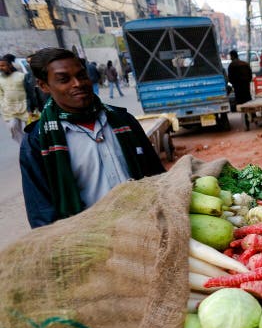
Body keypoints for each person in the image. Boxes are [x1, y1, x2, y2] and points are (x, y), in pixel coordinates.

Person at [19, 48, 165, 228]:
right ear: (44, 86)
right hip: (91, 240)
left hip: (146, 225)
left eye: (82, 75)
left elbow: (157, 175)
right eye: (64, 79)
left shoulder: (123, 121)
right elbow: (41, 214)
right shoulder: (37, 142)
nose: (77, 84)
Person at [0, 54, 28, 144]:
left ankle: (32, 145)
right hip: (9, 108)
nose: (1, 68)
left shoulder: (21, 76)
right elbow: (1, 94)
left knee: (31, 127)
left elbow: (29, 91)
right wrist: (3, 105)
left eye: (3, 65)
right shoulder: (0, 79)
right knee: (13, 127)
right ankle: (23, 146)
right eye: (0, 66)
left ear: (10, 65)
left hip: (24, 107)